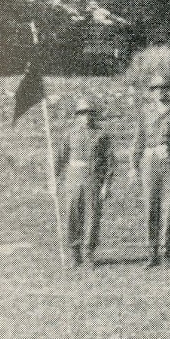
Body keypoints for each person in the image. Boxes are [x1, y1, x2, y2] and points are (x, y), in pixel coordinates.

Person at [129, 74, 170, 267]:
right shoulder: (145, 112)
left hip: (169, 161)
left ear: (167, 90)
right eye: (155, 89)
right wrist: (133, 165)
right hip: (149, 162)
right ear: (151, 92)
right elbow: (138, 139)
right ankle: (152, 252)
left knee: (169, 207)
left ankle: (168, 251)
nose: (159, 92)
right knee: (150, 206)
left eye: (163, 88)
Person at [57, 98, 113, 267]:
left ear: (94, 115)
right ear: (77, 116)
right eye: (82, 113)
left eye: (89, 113)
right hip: (73, 178)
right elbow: (60, 158)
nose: (86, 117)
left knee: (92, 216)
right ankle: (75, 252)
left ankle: (89, 252)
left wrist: (106, 185)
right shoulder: (70, 134)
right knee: (73, 215)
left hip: (93, 178)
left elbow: (109, 162)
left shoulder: (101, 135)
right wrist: (54, 178)